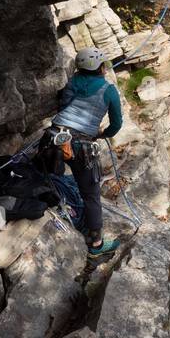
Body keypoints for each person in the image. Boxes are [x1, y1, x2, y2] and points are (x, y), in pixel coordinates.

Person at [48, 46, 124, 257]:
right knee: (91, 194)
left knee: (50, 174)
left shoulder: (72, 82)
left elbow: (64, 105)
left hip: (54, 137)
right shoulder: (108, 90)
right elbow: (116, 124)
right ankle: (96, 245)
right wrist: (100, 133)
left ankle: (54, 205)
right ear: (100, 68)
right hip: (82, 146)